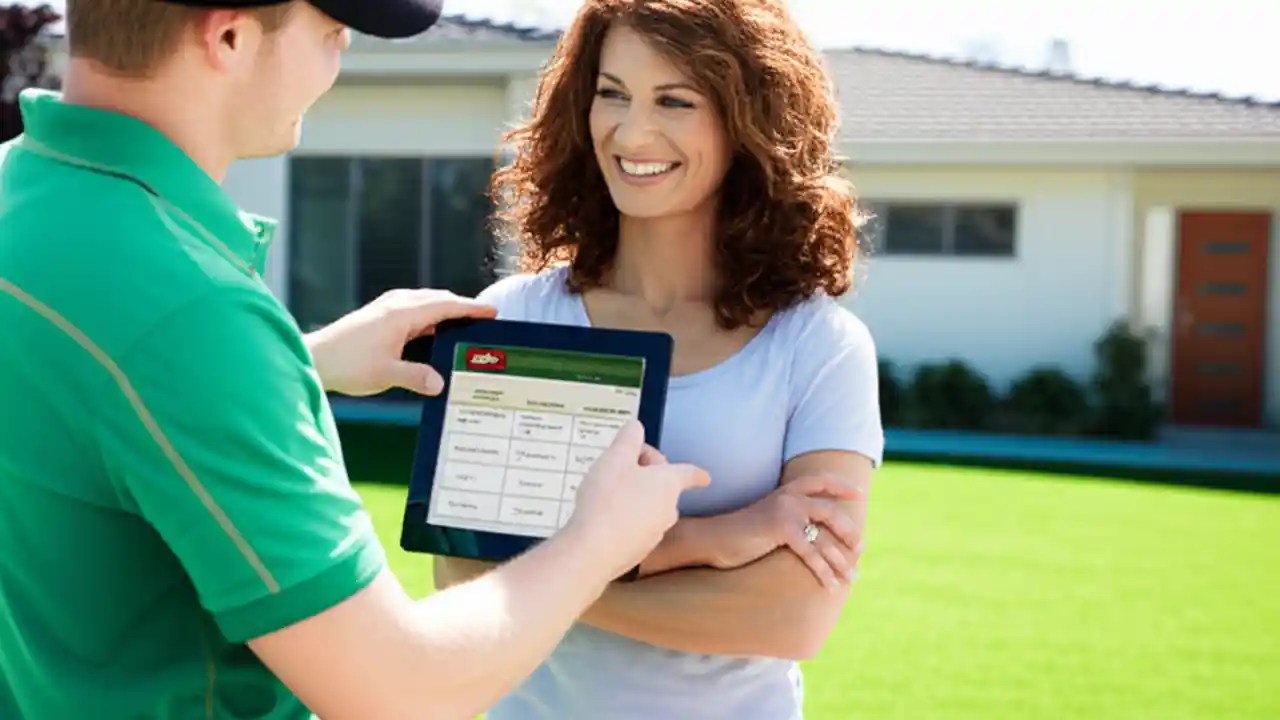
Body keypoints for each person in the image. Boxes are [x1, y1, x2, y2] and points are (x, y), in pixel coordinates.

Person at [0, 1, 711, 719]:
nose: (338, 63)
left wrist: (297, 367)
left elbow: (74, 409)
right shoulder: (191, 314)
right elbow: (398, 689)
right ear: (230, 37)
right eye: (333, 35)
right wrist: (598, 541)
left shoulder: (18, 197)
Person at [433, 0, 886, 718]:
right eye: (612, 94)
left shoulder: (819, 347)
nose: (632, 131)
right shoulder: (516, 317)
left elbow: (792, 617)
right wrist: (719, 539)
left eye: (675, 100)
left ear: (748, 121)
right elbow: (459, 575)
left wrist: (542, 580)